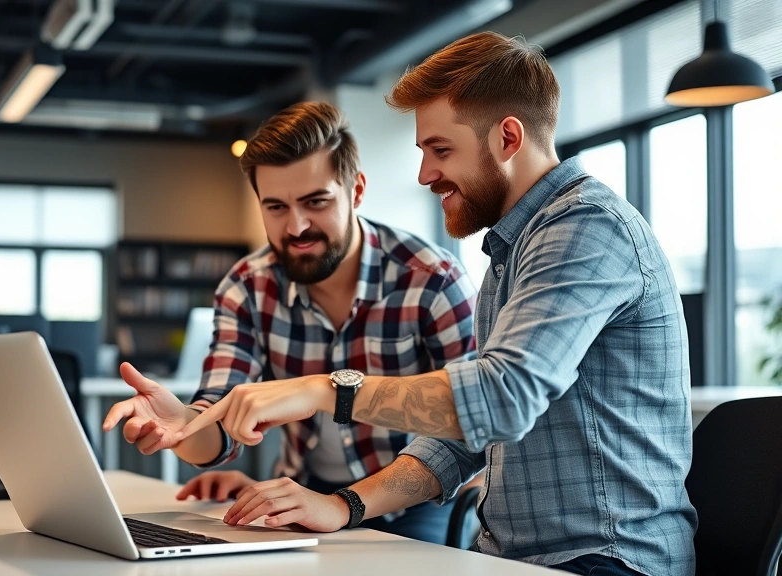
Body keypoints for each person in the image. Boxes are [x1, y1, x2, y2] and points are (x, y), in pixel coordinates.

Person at [170, 32, 698, 576]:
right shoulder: (512, 252)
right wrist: (343, 505)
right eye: (424, 152)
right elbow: (469, 435)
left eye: (440, 150)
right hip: (515, 558)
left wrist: (325, 389)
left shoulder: (585, 228)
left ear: (508, 138)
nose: (425, 175)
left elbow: (500, 399)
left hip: (607, 560)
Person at [103, 101, 479, 544]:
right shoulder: (247, 287)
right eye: (276, 207)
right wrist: (182, 426)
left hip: (413, 502)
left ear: (356, 190)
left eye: (315, 202)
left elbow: (473, 424)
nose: (296, 226)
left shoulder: (432, 281)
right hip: (302, 495)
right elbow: (217, 422)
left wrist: (345, 505)